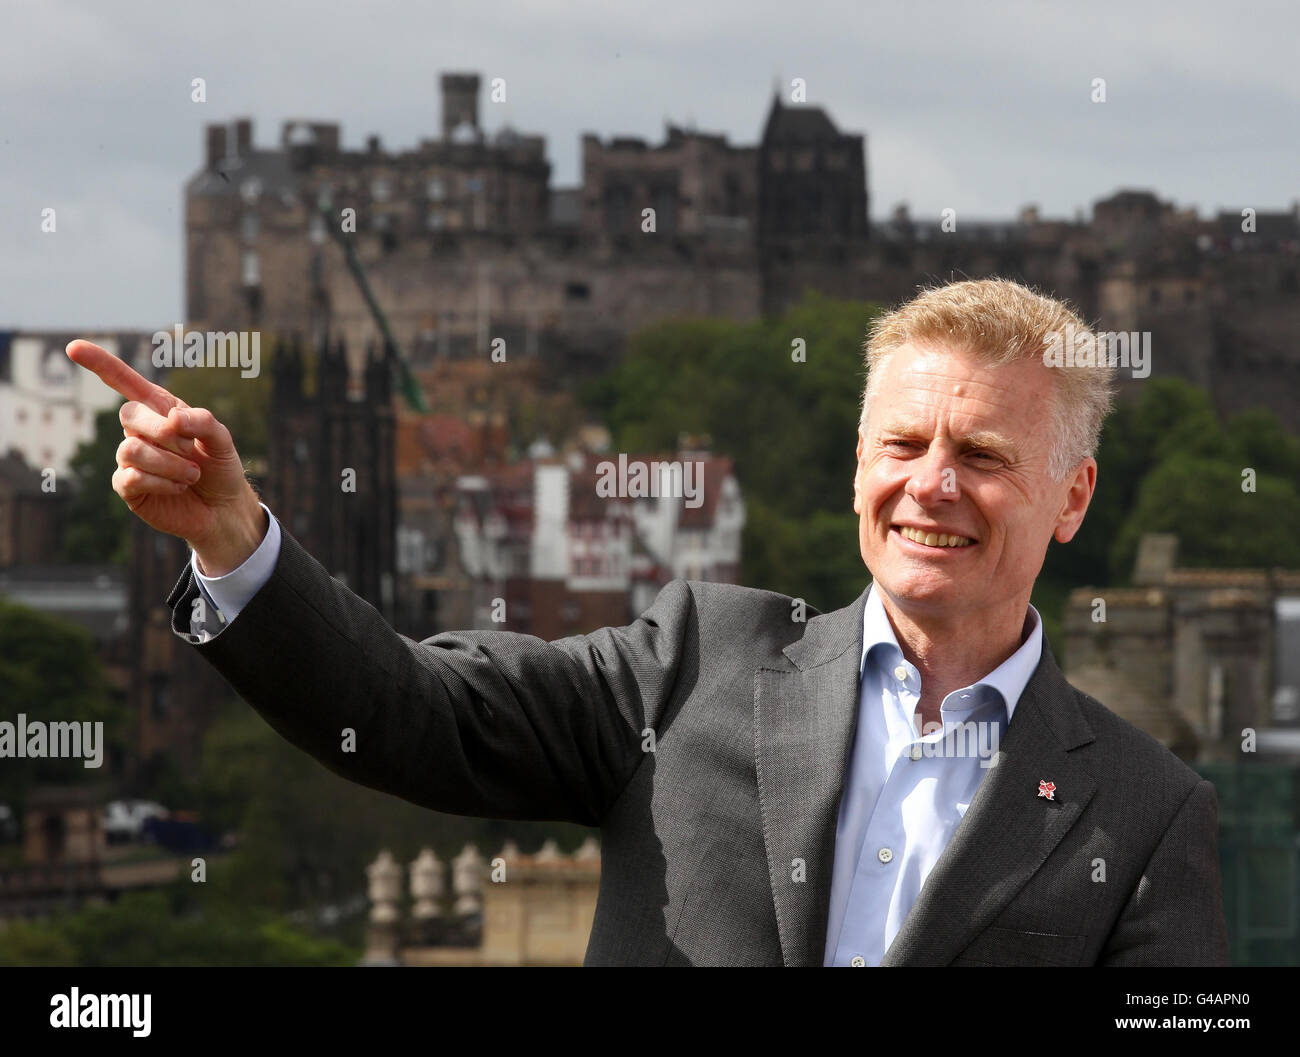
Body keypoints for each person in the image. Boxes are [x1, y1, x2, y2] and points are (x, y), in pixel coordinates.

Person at [66, 278, 1229, 966]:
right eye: (902, 444)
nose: (929, 485)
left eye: (980, 454)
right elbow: (408, 712)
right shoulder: (693, 661)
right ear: (856, 464)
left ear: (1072, 495)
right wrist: (233, 535)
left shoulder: (1148, 811)